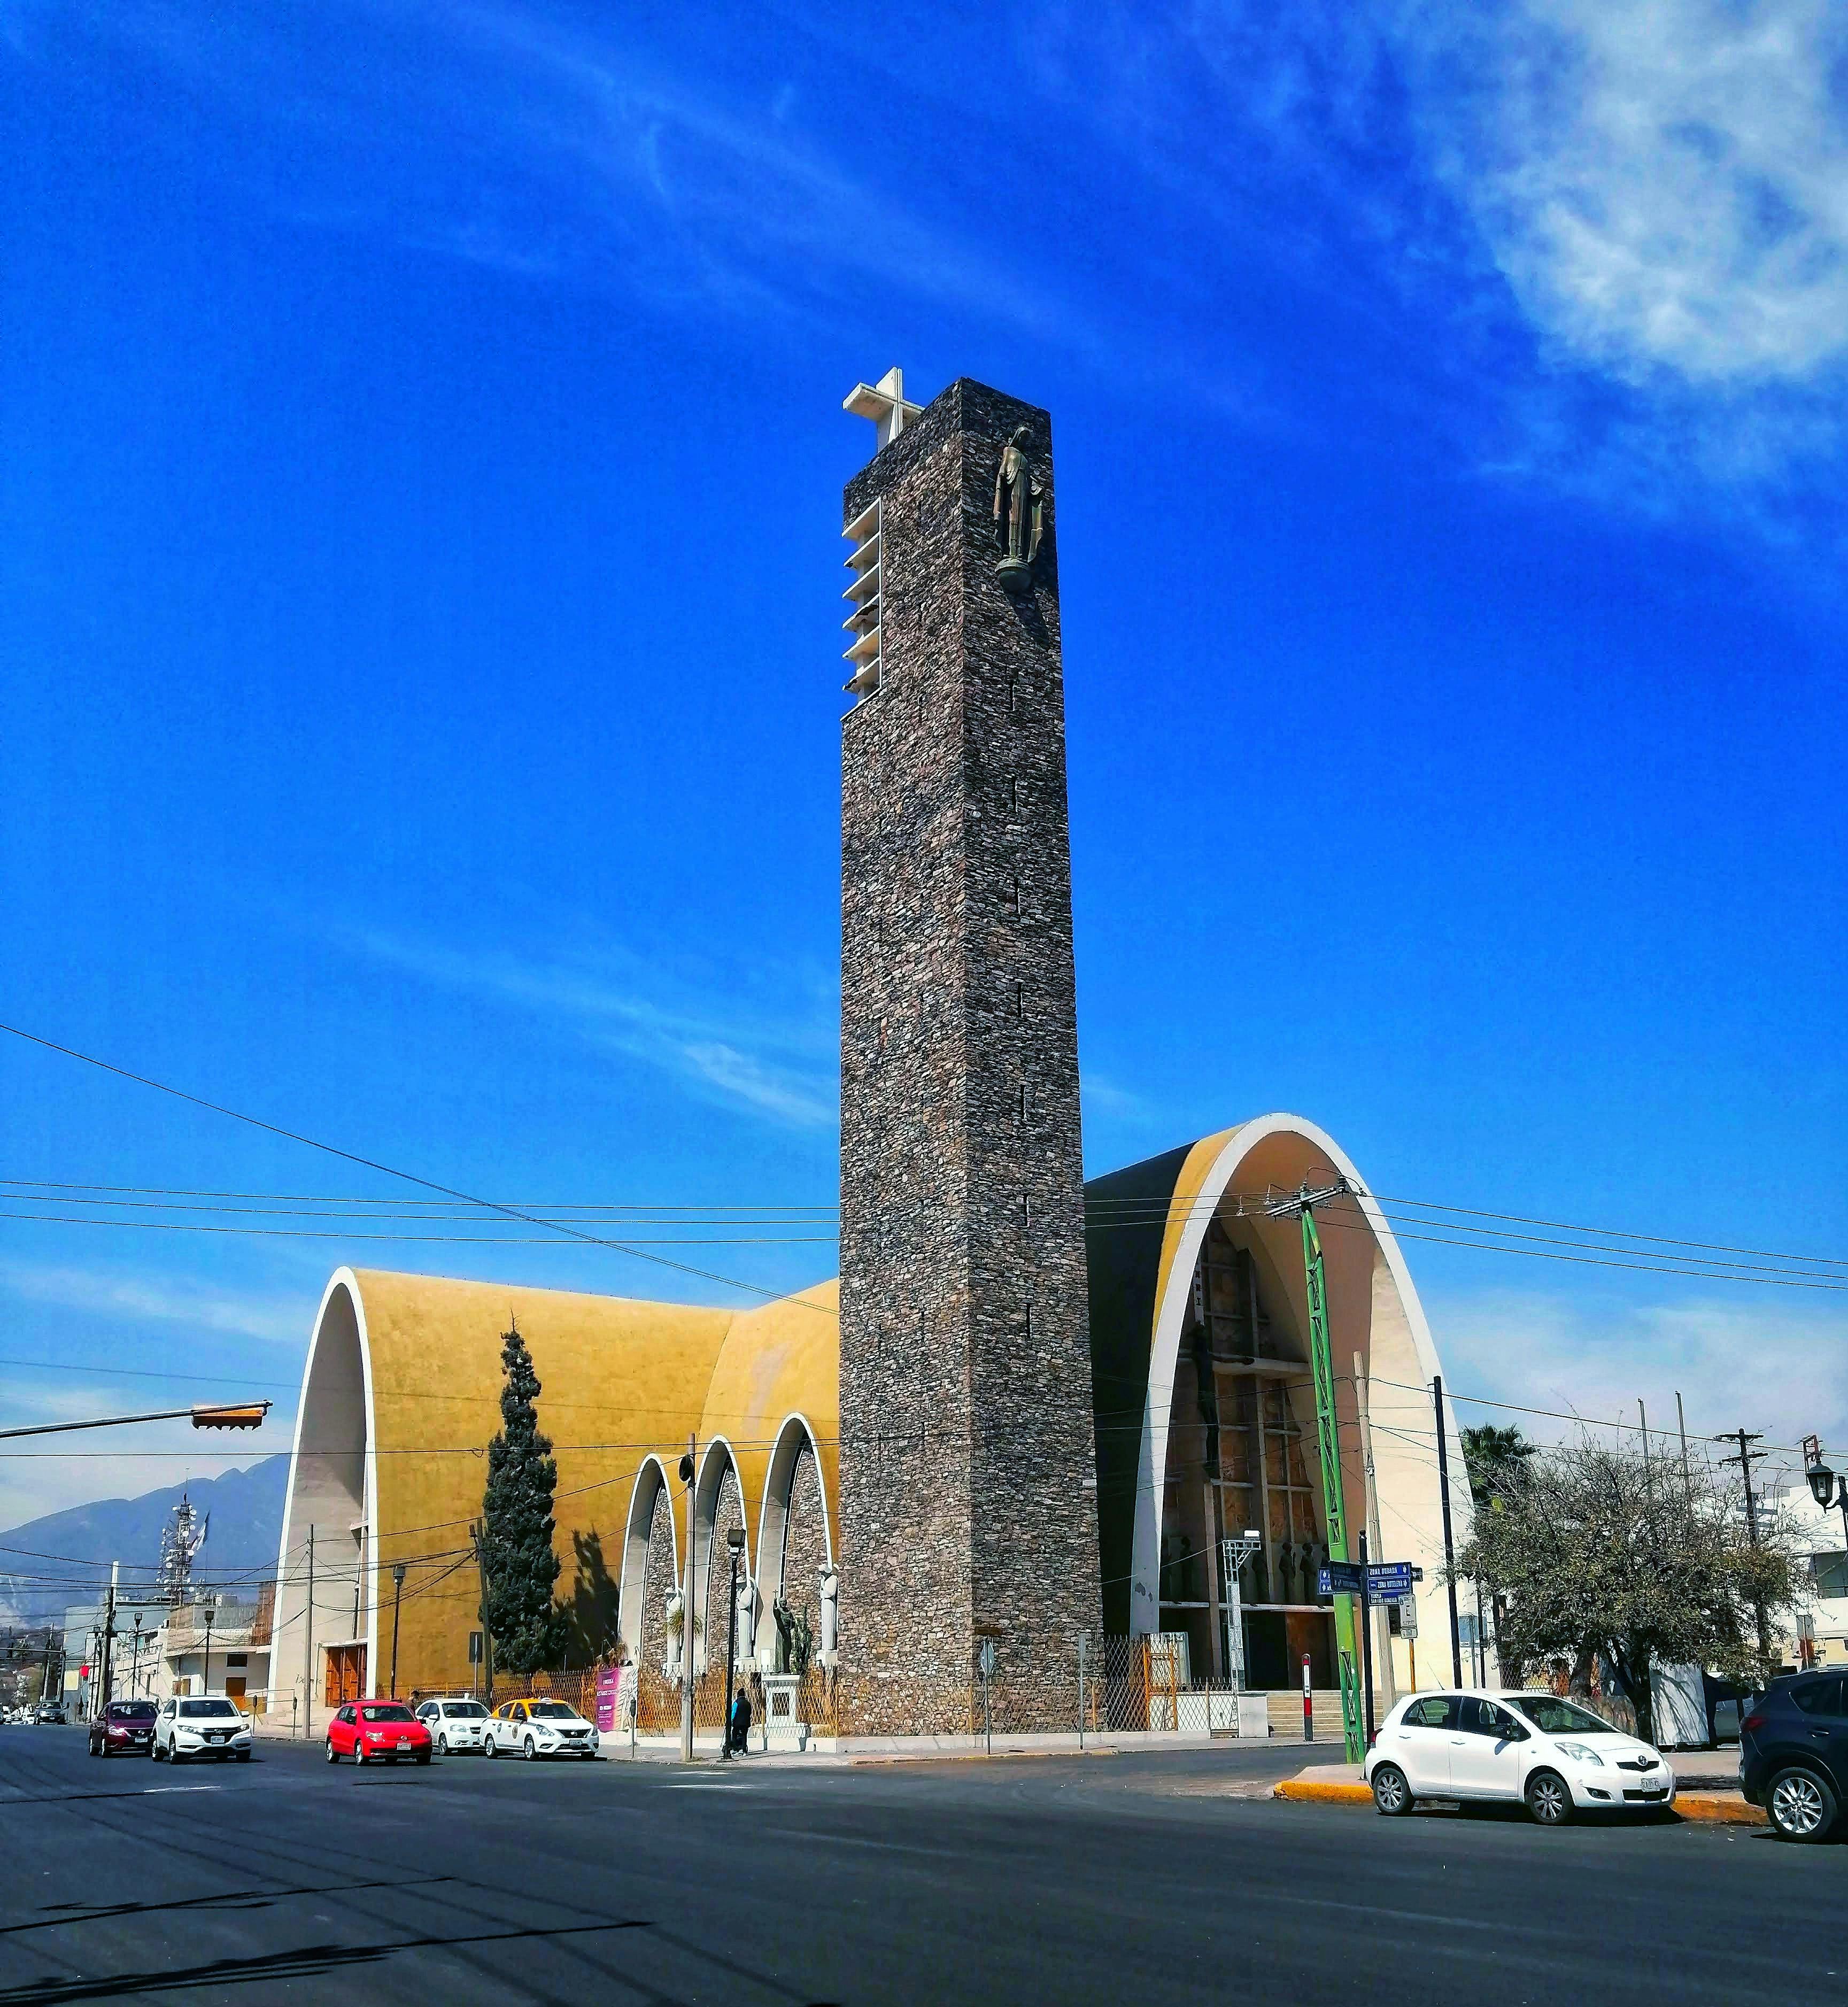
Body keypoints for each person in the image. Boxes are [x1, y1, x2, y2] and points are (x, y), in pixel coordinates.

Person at [727, 1685, 752, 1756]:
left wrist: (731, 1721)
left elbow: (733, 1713)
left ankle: (735, 1749)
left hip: (737, 1723)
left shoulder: (736, 1703)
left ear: (738, 1695)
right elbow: (750, 1712)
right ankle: (744, 1750)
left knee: (734, 1734)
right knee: (744, 1736)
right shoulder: (748, 1703)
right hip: (746, 1723)